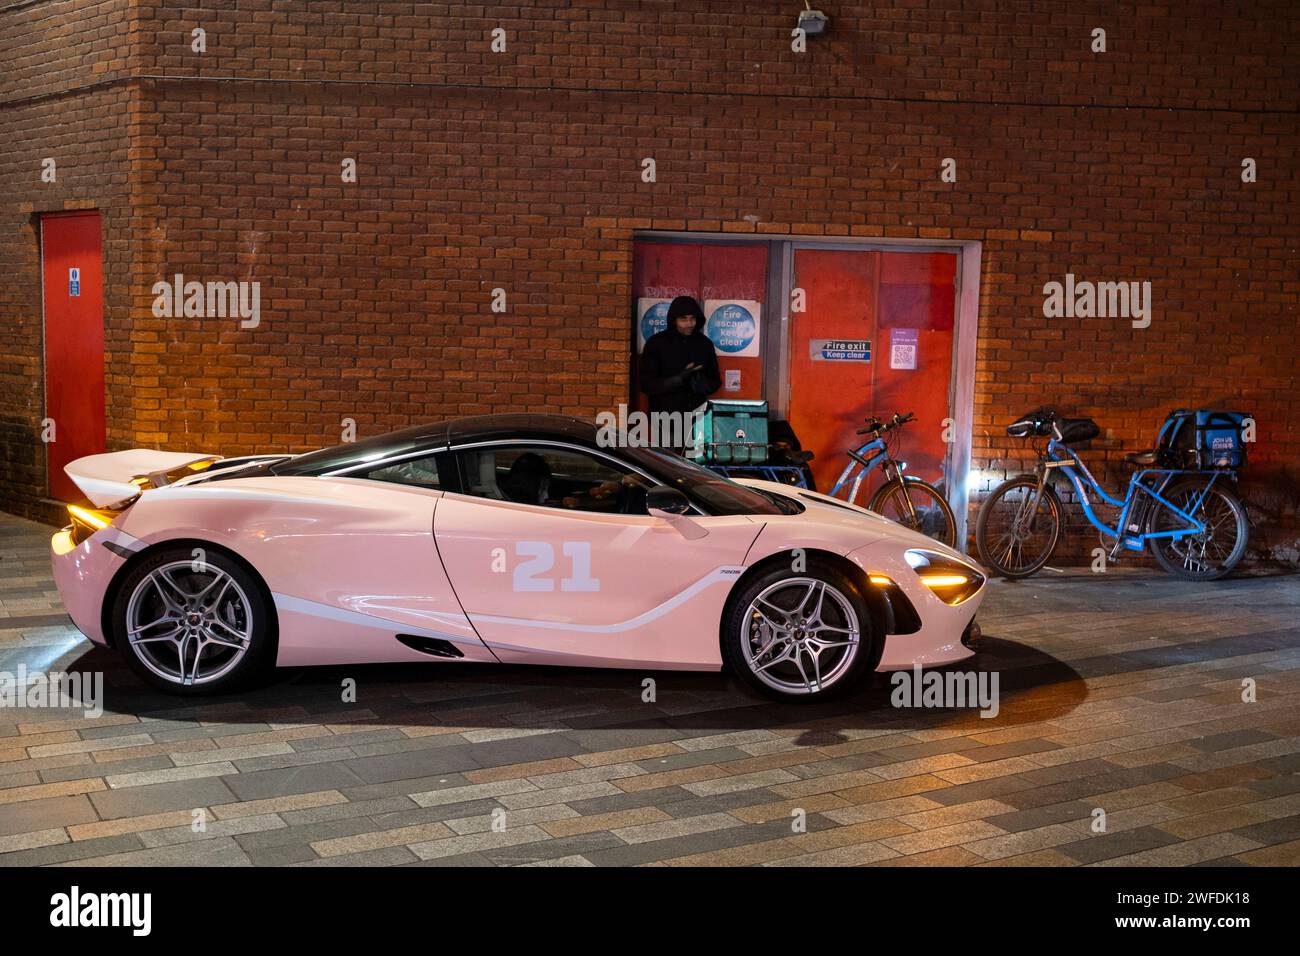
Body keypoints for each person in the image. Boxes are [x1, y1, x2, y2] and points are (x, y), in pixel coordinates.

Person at [639, 295, 722, 420]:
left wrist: (704, 385)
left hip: (697, 418)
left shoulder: (704, 344)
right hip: (664, 418)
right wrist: (677, 379)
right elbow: (646, 384)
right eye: (683, 319)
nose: (689, 324)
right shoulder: (656, 343)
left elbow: (715, 379)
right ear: (674, 320)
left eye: (692, 318)